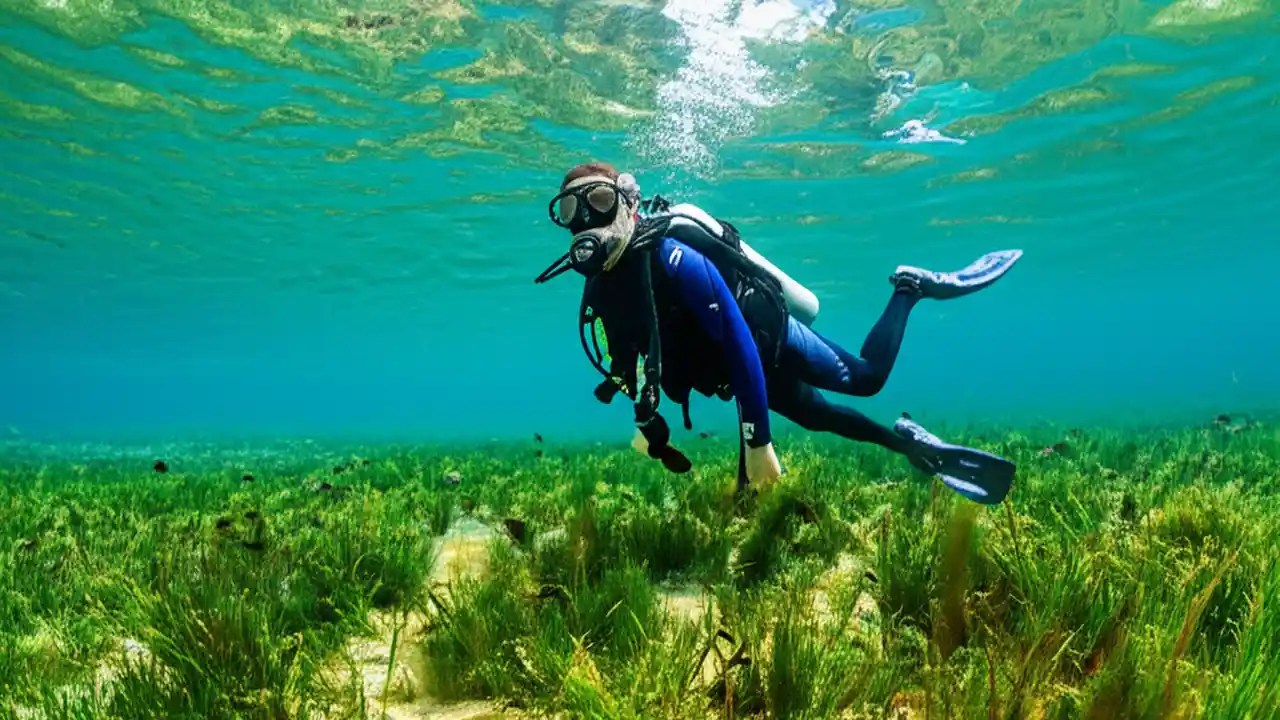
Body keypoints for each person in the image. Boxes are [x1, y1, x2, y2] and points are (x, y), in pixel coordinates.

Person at [534, 161, 1022, 505]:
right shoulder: (600, 292)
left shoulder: (673, 256)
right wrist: (648, 424)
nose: (586, 221)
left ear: (627, 202)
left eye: (597, 201)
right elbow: (627, 365)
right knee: (816, 416)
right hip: (738, 373)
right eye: (570, 212)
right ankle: (915, 446)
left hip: (766, 338)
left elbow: (738, 342)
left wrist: (757, 441)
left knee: (867, 379)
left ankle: (909, 288)